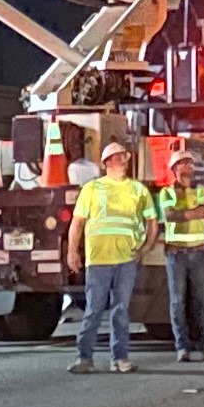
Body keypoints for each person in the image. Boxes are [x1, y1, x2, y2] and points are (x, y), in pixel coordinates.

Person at [67, 135, 156, 374]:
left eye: (124, 157)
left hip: (126, 259)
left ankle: (120, 359)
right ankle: (84, 358)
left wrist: (146, 247)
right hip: (98, 260)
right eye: (118, 157)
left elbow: (152, 221)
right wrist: (72, 251)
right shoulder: (92, 189)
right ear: (107, 162)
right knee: (94, 310)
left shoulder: (137, 189)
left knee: (120, 311)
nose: (123, 161)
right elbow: (77, 223)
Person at [154, 143, 204, 364]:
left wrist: (185, 213)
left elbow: (202, 212)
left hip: (199, 253)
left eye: (190, 163)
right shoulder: (166, 192)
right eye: (183, 163)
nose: (188, 166)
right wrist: (190, 213)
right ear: (174, 168)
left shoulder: (201, 191)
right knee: (177, 303)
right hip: (176, 255)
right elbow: (170, 215)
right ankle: (182, 347)